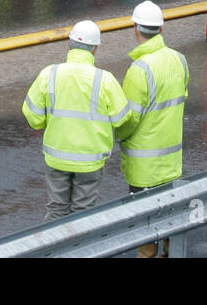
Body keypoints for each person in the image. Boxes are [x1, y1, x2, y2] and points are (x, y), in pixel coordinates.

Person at [23, 20, 139, 220]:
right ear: (95, 49)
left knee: (56, 210)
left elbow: (32, 114)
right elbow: (122, 118)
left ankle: (52, 249)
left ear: (69, 45)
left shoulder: (49, 74)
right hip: (90, 162)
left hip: (56, 157)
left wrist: (45, 124)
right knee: (83, 214)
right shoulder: (104, 79)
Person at [119, 0, 189, 257]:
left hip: (143, 167)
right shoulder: (179, 60)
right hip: (172, 162)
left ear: (136, 30)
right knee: (171, 219)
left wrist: (117, 138)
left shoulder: (138, 70)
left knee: (146, 226)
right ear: (161, 29)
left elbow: (128, 121)